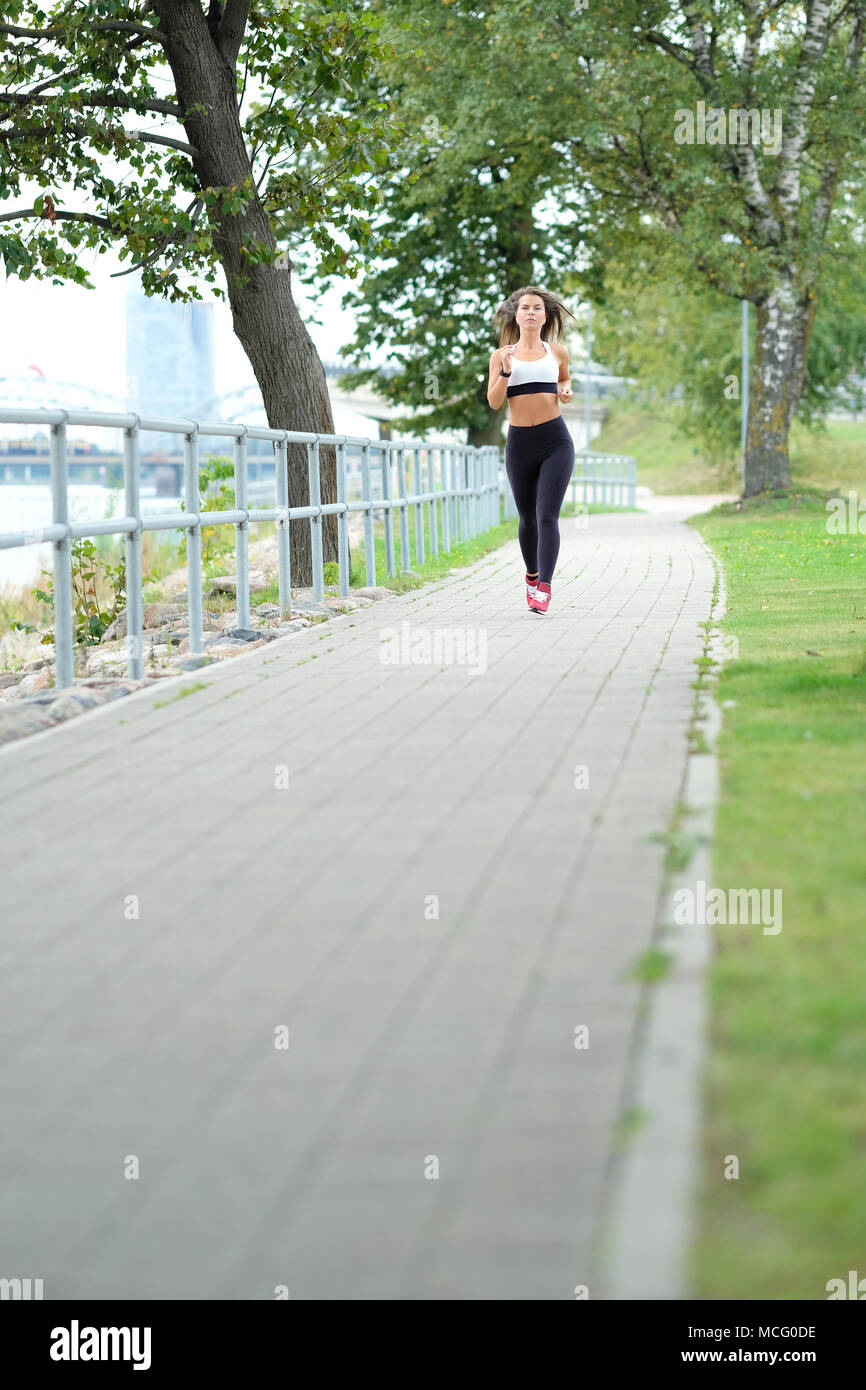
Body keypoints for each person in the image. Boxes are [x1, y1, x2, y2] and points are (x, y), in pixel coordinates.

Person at [487, 286, 576, 613]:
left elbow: (564, 380)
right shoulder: (501, 356)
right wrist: (507, 370)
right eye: (525, 308)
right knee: (527, 517)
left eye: (537, 308)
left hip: (556, 441)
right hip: (520, 444)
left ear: (544, 315)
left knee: (546, 515)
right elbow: (495, 402)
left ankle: (545, 587)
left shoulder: (558, 353)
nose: (531, 313)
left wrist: (565, 391)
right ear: (516, 314)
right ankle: (532, 574)